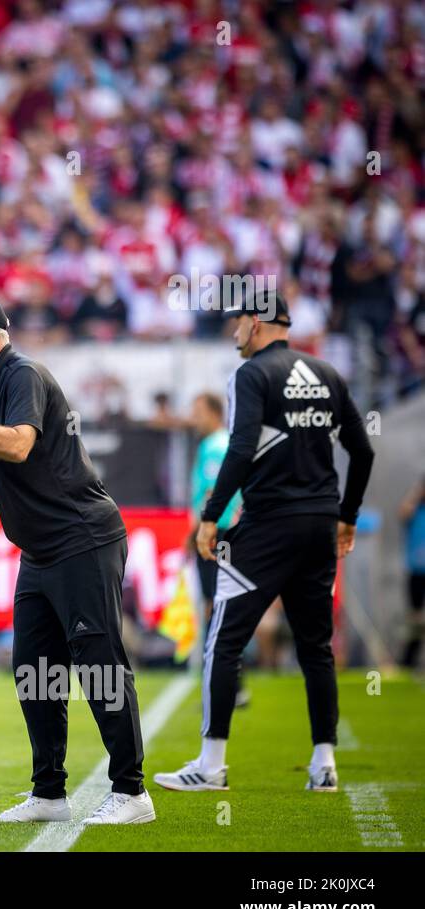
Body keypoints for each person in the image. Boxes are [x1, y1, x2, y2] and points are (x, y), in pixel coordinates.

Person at [0, 292, 154, 825]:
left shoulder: (21, 373)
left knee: (100, 666)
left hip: (81, 540)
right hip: (42, 552)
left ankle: (132, 791)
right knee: (34, 669)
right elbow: (11, 470)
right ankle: (49, 793)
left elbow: (19, 445)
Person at [155, 290, 374, 793]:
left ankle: (211, 766)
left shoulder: (251, 375)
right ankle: (324, 765)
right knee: (316, 647)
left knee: (224, 642)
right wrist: (347, 517)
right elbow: (362, 452)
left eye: (237, 323)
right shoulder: (328, 374)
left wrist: (210, 517)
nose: (234, 332)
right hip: (320, 525)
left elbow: (241, 448)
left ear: (255, 323)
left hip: (269, 526)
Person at [186, 392, 250, 708]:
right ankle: (232, 684)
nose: (194, 419)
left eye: (198, 412)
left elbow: (213, 492)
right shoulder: (224, 443)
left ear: (213, 413)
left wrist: (197, 528)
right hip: (224, 534)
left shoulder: (214, 446)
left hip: (216, 535)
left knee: (217, 604)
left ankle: (224, 685)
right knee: (223, 602)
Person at [397, 476, 425, 669]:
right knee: (414, 616)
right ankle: (409, 659)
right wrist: (417, 493)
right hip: (416, 570)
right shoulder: (416, 509)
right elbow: (403, 513)